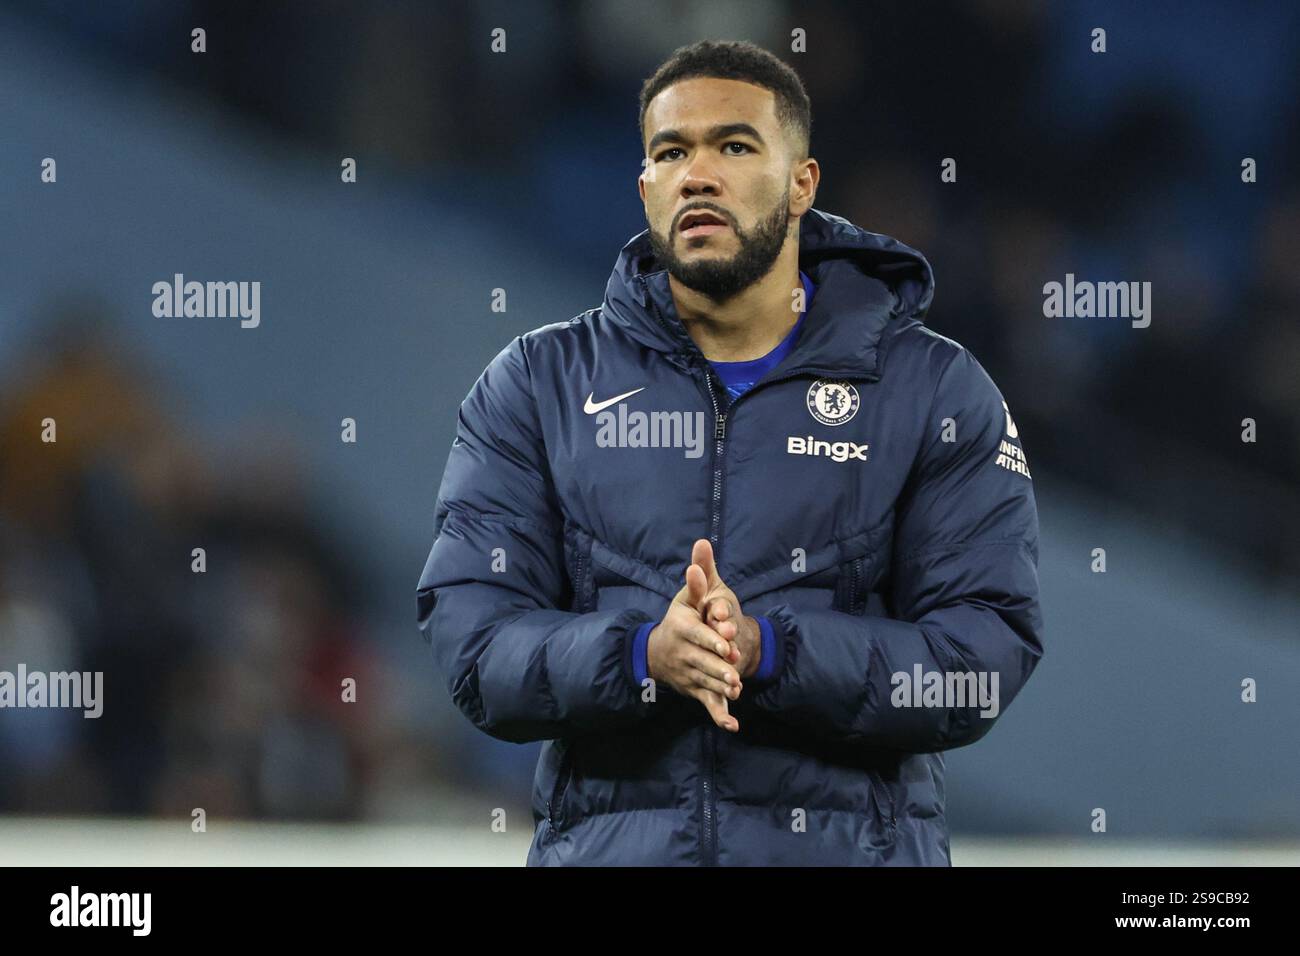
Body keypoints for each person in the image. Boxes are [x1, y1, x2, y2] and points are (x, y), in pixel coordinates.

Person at [416, 39, 1043, 865]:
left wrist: (772, 651)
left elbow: (982, 655)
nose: (698, 174)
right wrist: (642, 654)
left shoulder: (935, 391)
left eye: (735, 146)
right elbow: (474, 642)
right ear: (645, 188)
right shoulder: (536, 385)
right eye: (671, 151)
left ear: (802, 183)